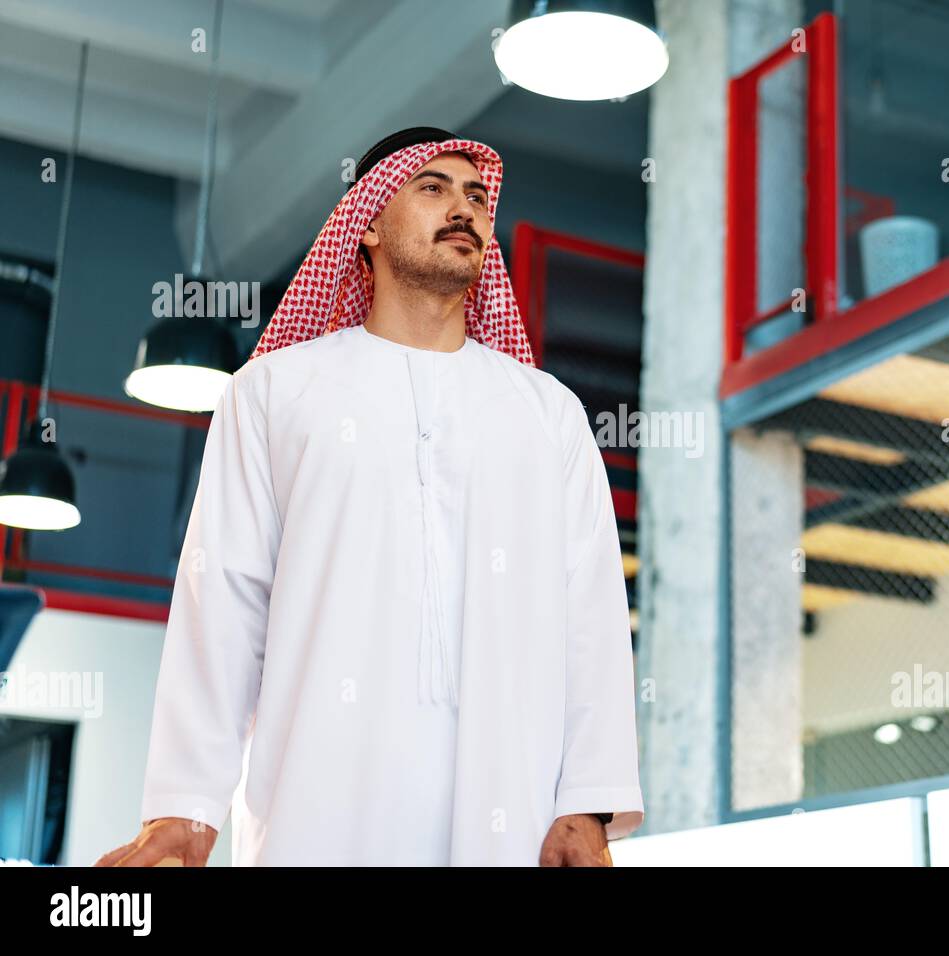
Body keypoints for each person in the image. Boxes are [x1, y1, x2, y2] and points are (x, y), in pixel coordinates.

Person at [94, 127, 644, 867]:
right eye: (433, 188)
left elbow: (593, 616)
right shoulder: (274, 393)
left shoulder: (549, 414)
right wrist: (186, 810)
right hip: (315, 815)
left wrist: (587, 805)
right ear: (369, 224)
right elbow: (223, 602)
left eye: (477, 197)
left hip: (509, 820)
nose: (465, 209)